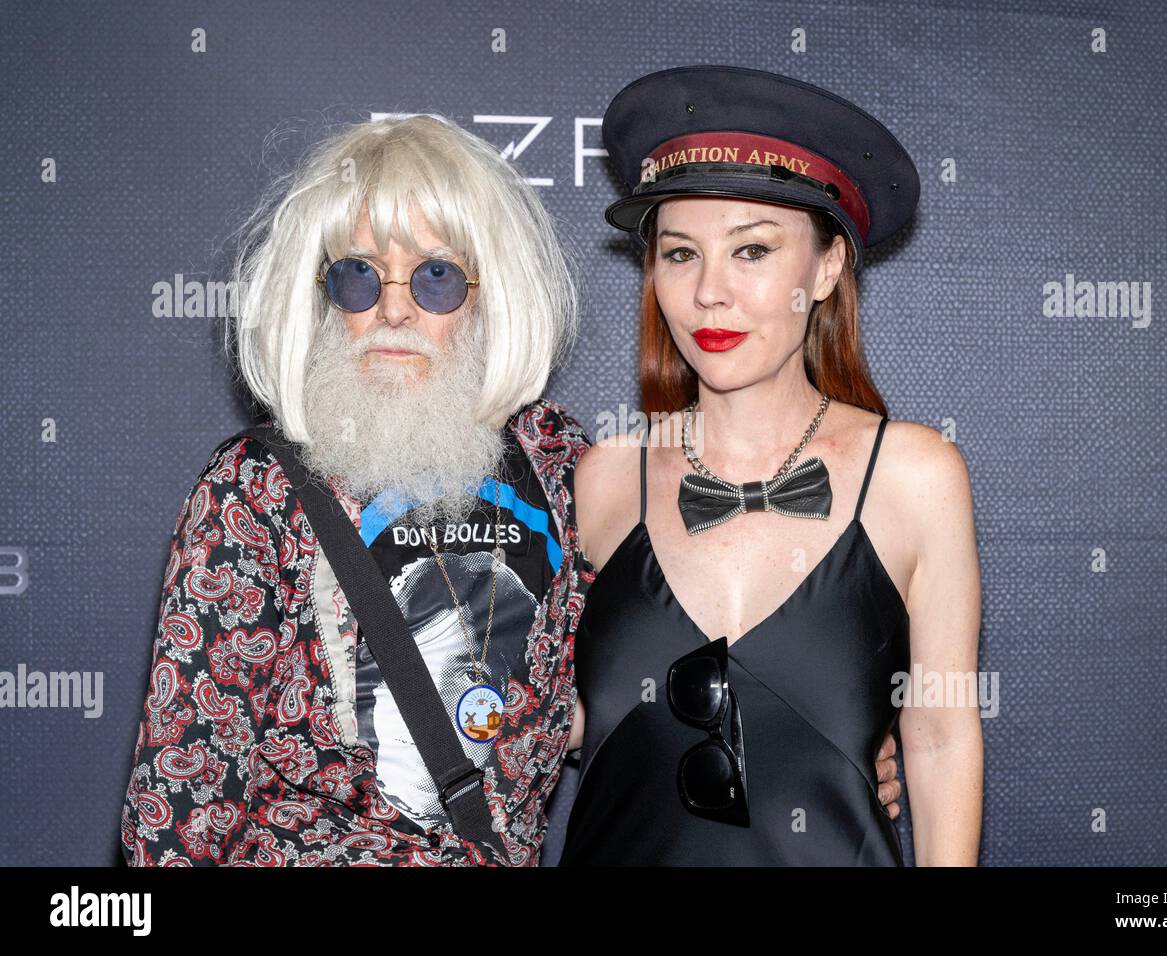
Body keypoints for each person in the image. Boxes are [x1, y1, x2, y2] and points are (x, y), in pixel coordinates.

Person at [120, 114, 590, 866]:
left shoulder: (562, 470)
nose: (393, 310)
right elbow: (176, 827)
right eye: (359, 276)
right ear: (324, 295)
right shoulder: (252, 494)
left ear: (492, 292)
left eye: (436, 275)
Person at [560, 66, 982, 865]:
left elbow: (938, 734)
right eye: (680, 253)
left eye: (752, 250)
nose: (710, 293)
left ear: (826, 269)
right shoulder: (601, 478)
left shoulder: (916, 475)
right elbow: (552, 722)